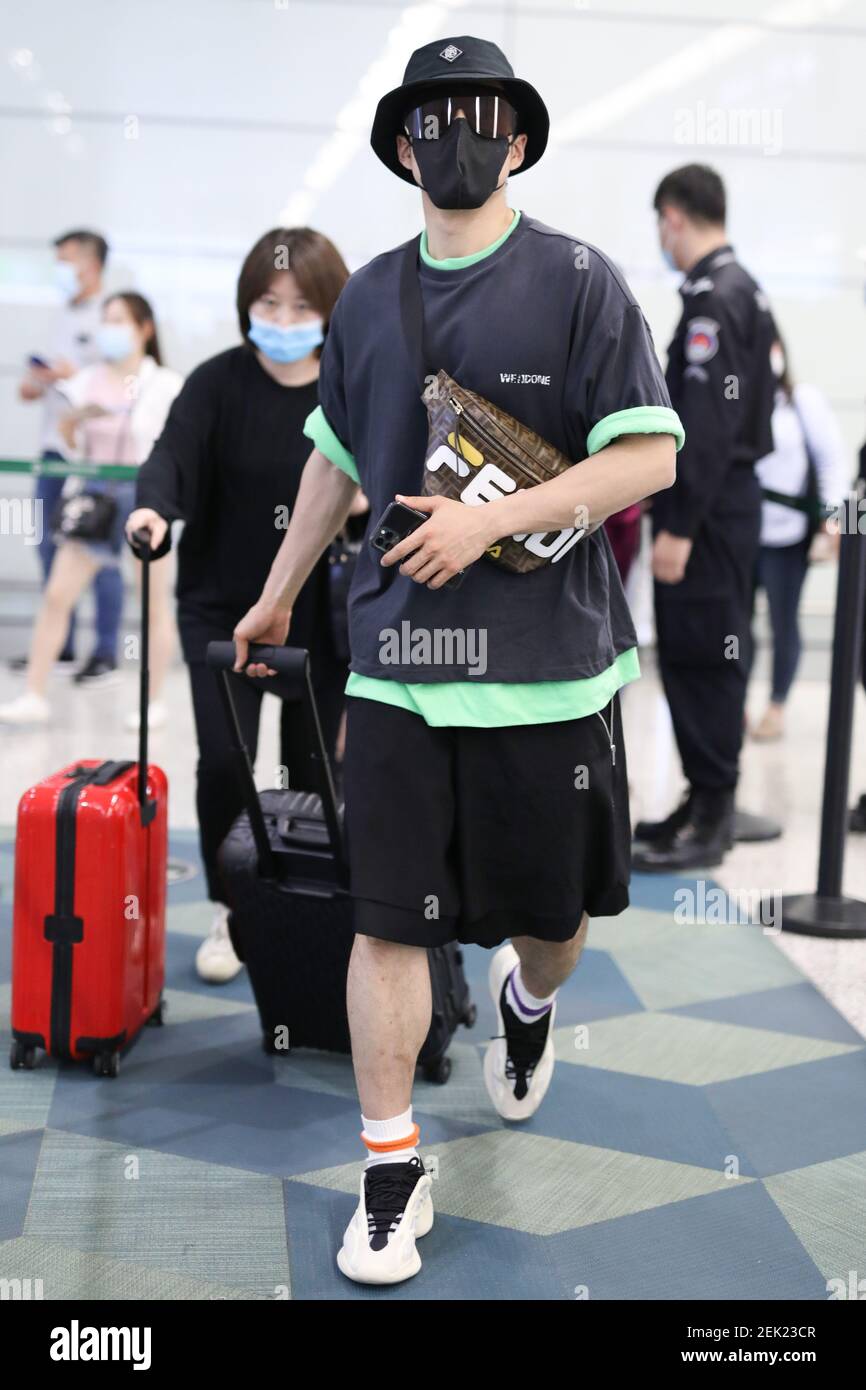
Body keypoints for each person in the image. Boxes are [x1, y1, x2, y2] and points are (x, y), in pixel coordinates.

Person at [232, 35, 682, 1286]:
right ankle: (389, 1170)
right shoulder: (369, 294)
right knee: (386, 927)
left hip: (548, 671)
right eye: (430, 117)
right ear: (398, 144)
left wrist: (492, 519)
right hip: (395, 669)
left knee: (551, 923)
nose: (454, 136)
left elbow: (648, 456)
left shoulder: (581, 282)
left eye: (478, 115)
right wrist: (275, 597)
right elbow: (333, 453)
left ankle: (528, 1009)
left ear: (520, 138)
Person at [126, 228, 351, 984]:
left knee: (315, 767)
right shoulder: (217, 383)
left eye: (301, 306)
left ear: (330, 311)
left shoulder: (347, 389)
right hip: (222, 610)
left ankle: (309, 904)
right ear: (246, 305)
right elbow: (171, 457)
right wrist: (154, 511)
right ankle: (231, 906)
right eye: (268, 302)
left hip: (320, 617)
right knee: (227, 760)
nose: (283, 319)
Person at [632, 164, 778, 873]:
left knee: (702, 652)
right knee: (708, 650)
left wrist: (681, 524)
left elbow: (711, 424)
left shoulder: (715, 301)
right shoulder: (743, 288)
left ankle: (711, 817)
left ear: (673, 217)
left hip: (710, 509)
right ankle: (704, 798)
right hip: (728, 504)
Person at [0, 293, 181, 727]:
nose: (109, 329)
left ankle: (152, 701)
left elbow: (173, 446)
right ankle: (35, 694)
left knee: (153, 600)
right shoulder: (85, 380)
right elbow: (70, 447)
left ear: (144, 328)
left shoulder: (165, 384)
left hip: (144, 496)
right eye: (106, 320)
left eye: (119, 320)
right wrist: (71, 423)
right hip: (95, 495)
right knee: (58, 594)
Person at [15, 229, 125, 685]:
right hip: (53, 449)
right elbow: (31, 387)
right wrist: (39, 380)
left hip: (96, 454)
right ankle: (58, 644)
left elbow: (120, 380)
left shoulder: (113, 317)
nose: (60, 269)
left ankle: (105, 652)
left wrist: (73, 375)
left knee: (99, 549)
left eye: (66, 259)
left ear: (91, 263)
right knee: (47, 544)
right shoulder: (60, 314)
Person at [751, 337, 848, 741]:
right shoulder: (740, 399)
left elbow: (832, 459)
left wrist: (836, 520)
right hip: (742, 531)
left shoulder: (801, 400)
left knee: (782, 620)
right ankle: (736, 702)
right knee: (736, 623)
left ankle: (776, 705)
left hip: (789, 534)